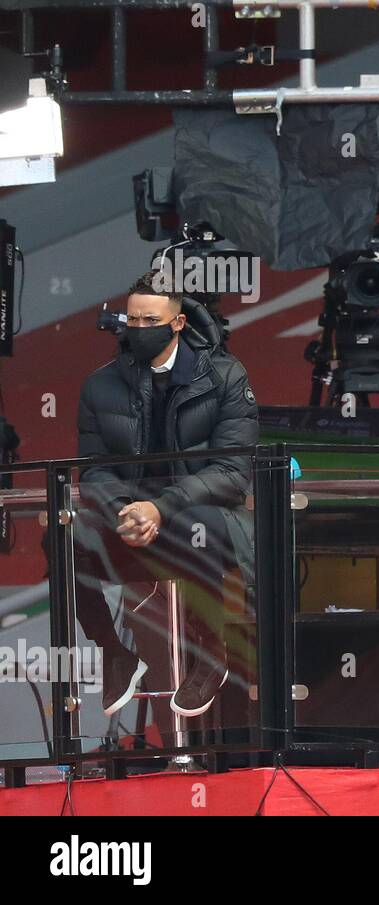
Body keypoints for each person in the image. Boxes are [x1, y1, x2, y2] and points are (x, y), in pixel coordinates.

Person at [74, 271, 258, 719]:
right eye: (131, 321)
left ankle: (212, 652)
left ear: (177, 323)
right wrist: (124, 511)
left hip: (203, 516)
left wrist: (161, 506)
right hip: (132, 519)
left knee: (193, 527)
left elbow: (232, 472)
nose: (138, 330)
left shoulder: (225, 376)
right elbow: (94, 468)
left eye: (150, 320)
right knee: (69, 535)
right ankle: (116, 653)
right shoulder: (100, 385)